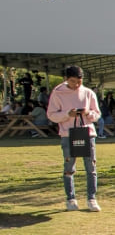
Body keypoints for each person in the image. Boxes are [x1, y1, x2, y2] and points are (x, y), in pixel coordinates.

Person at [47, 65, 102, 212]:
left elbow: (97, 114)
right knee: (69, 167)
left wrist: (87, 113)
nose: (76, 85)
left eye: (79, 81)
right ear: (66, 79)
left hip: (87, 132)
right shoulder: (58, 93)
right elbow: (51, 115)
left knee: (91, 167)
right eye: (72, 81)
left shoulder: (88, 93)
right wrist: (67, 114)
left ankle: (92, 198)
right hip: (67, 133)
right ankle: (70, 198)